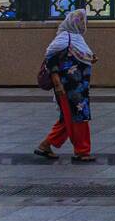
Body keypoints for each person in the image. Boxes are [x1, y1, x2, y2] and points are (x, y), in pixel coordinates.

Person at [35, 9, 97, 161]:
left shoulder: (77, 38)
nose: (84, 23)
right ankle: (82, 151)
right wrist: (57, 84)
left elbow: (81, 58)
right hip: (67, 87)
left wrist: (90, 59)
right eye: (81, 21)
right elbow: (51, 61)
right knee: (78, 116)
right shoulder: (64, 38)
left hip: (79, 87)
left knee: (68, 117)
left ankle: (45, 145)